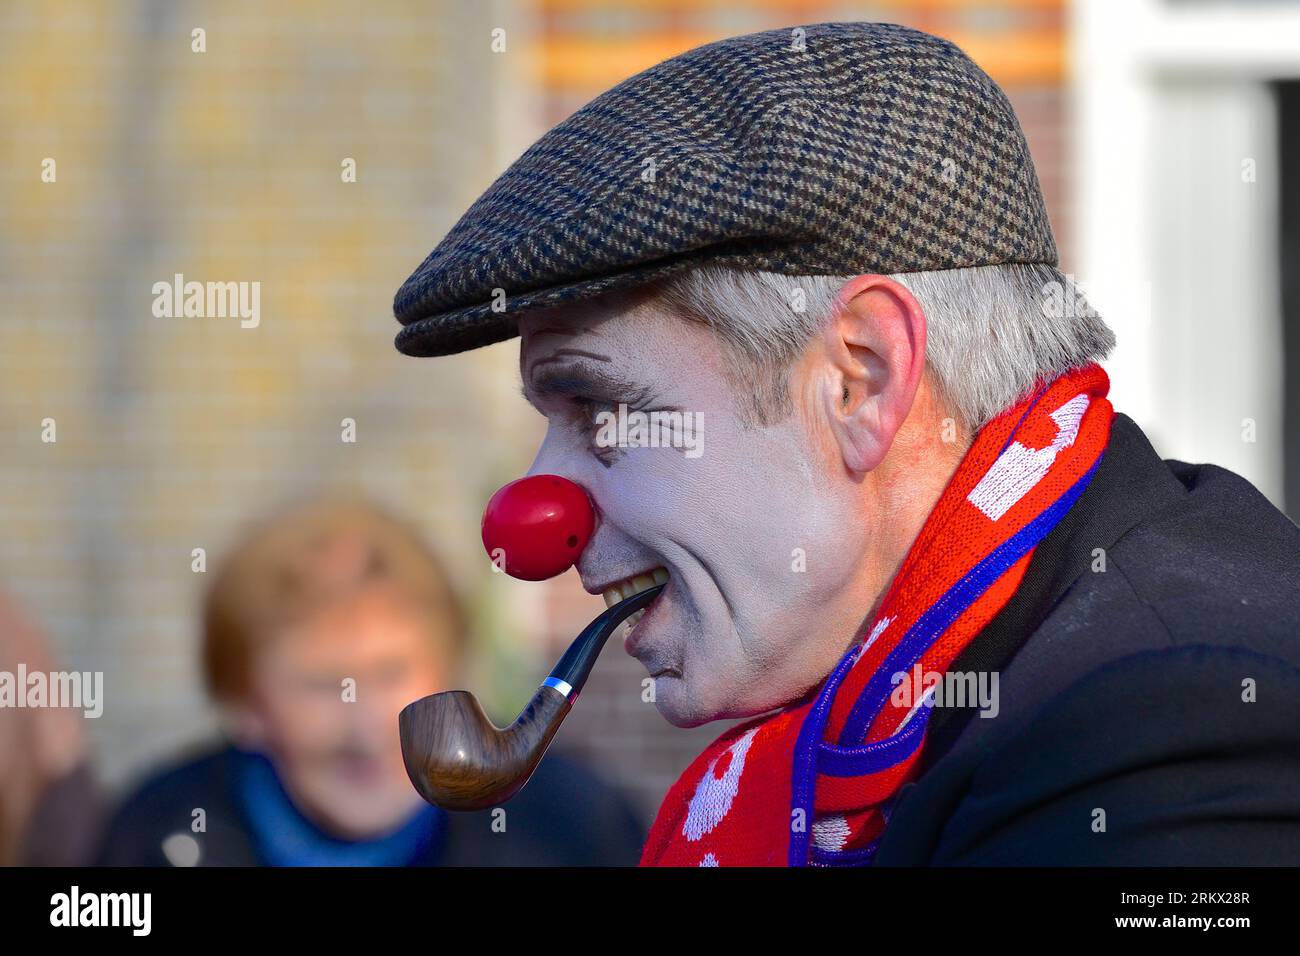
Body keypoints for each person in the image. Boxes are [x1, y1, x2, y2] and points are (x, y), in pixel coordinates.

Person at [389, 22, 1300, 865]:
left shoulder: (1172, 728)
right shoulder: (896, 698)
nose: (539, 517)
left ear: (858, 380)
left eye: (602, 409)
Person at [96, 497, 644, 866]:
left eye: (392, 672)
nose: (367, 727)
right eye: (320, 684)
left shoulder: (569, 826)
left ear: (450, 677)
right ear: (247, 706)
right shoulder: (155, 832)